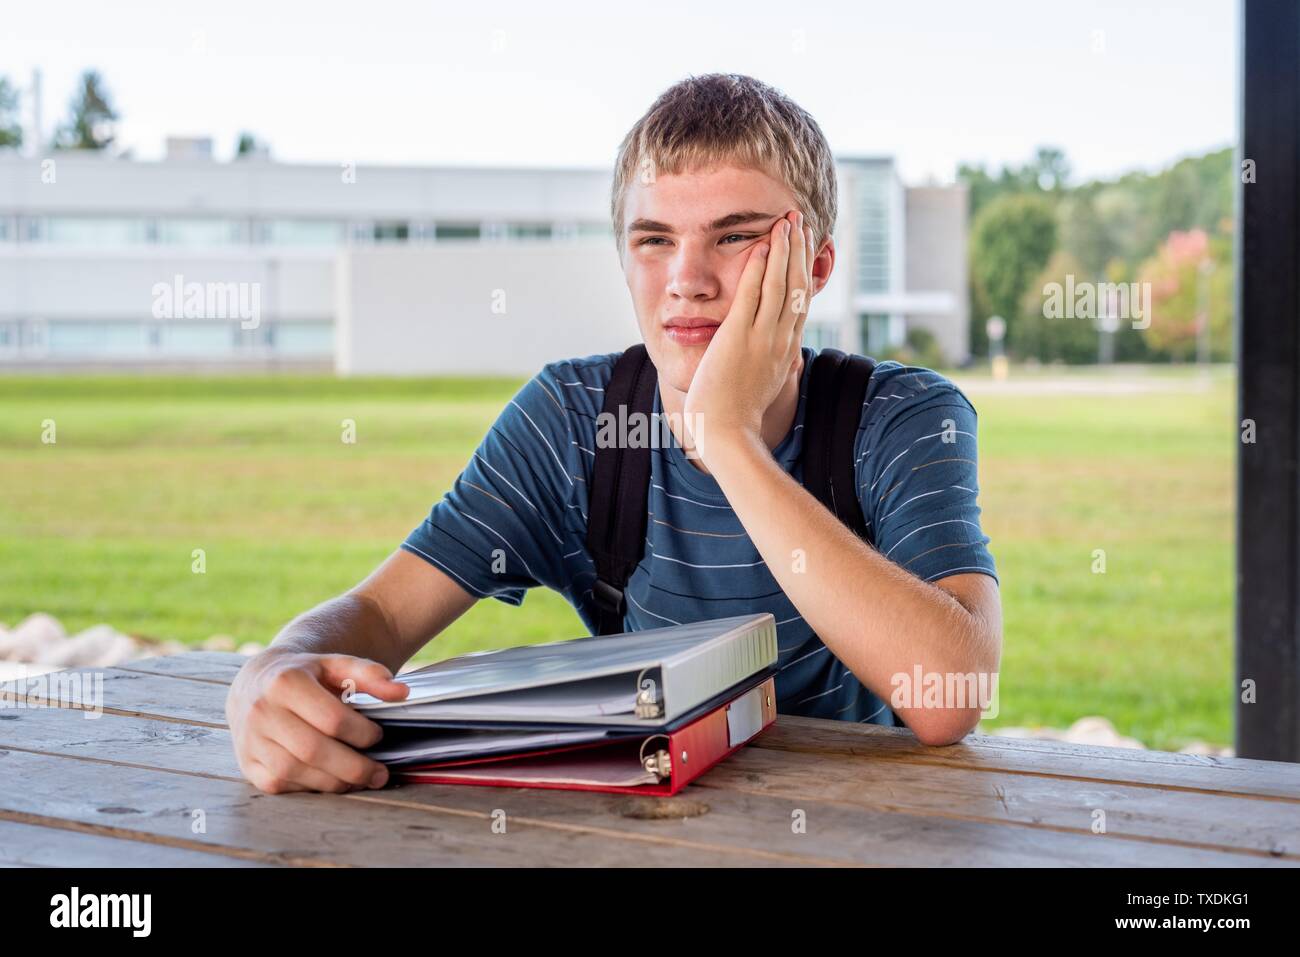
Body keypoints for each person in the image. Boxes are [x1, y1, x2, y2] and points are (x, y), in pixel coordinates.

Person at [226, 73, 1001, 795]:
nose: (686, 278)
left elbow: (951, 694)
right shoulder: (574, 420)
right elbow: (386, 615)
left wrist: (727, 441)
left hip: (865, 828)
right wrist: (273, 668)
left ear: (816, 266)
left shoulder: (899, 415)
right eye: (654, 239)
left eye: (733, 238)